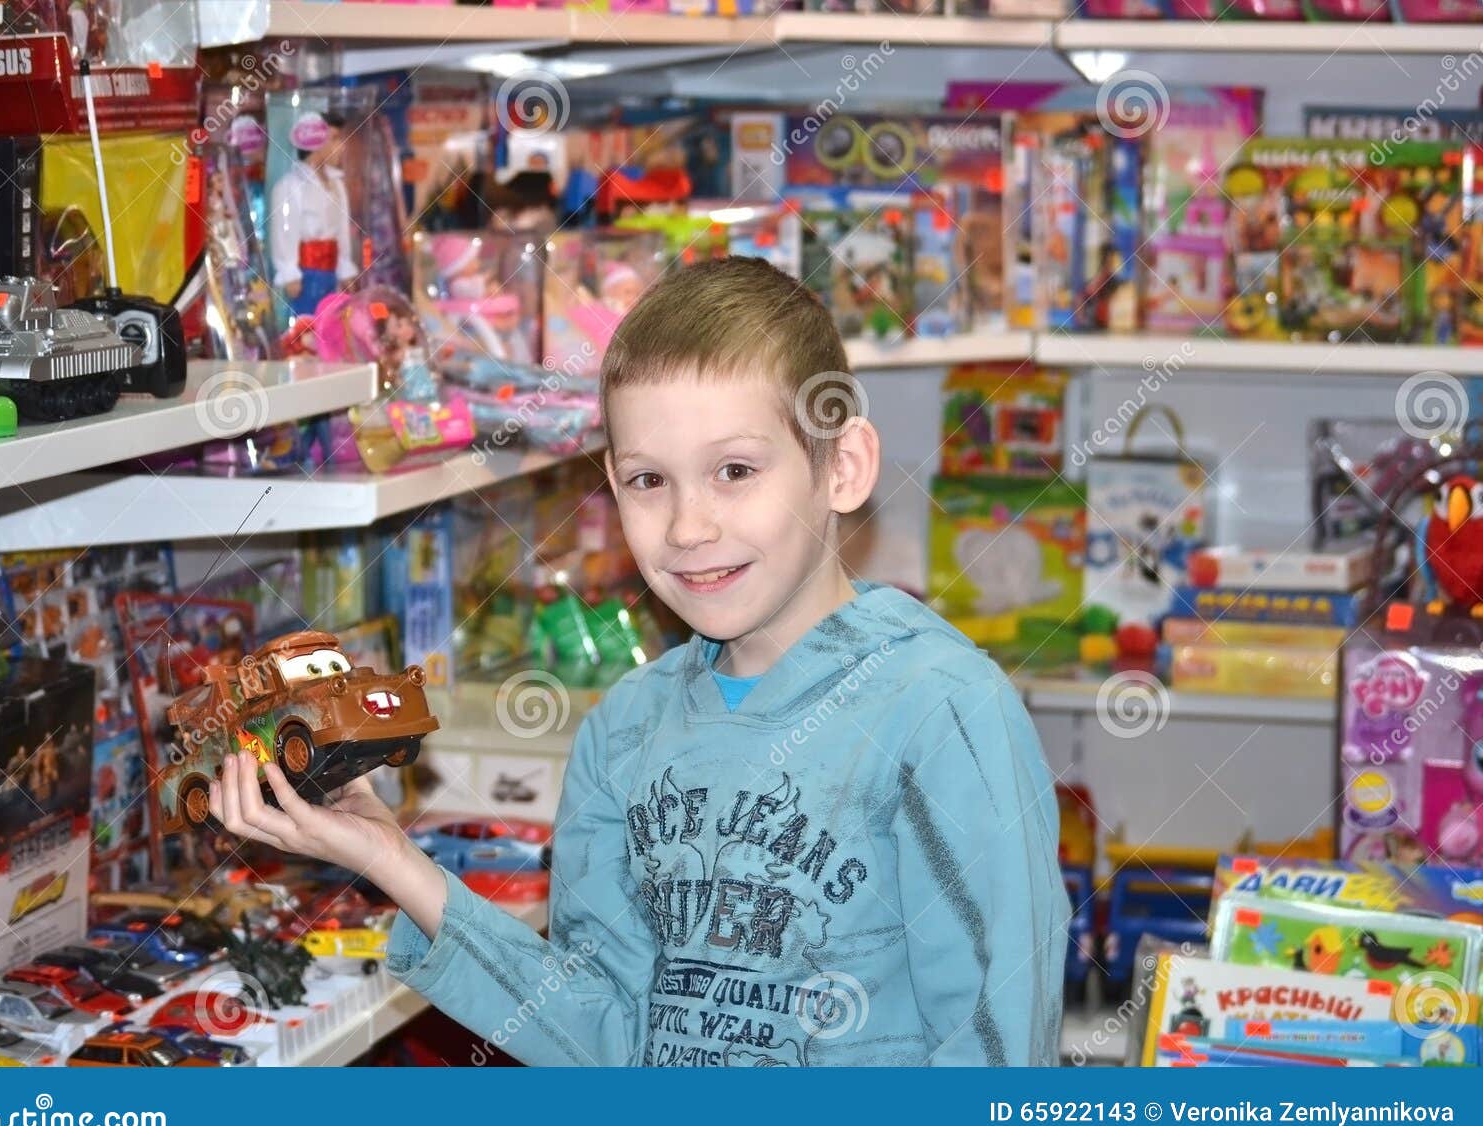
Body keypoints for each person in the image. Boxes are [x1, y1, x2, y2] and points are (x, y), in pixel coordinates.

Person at [211, 256, 1068, 1067]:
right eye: (649, 481)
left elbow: (998, 1050)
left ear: (840, 467)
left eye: (735, 470)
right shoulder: (624, 730)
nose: (689, 526)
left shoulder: (941, 708)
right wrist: (390, 857)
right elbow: (605, 1036)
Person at [268, 111, 357, 320]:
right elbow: (284, 231)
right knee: (306, 324)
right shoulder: (290, 186)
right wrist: (289, 270)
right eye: (334, 139)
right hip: (306, 273)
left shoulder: (337, 185)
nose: (341, 147)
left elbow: (342, 231)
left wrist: (345, 267)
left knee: (333, 323)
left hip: (331, 271)